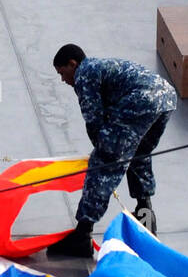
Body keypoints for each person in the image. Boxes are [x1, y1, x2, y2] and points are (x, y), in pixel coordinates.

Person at [46, 44, 176, 258]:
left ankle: (82, 235)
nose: (63, 80)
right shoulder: (102, 66)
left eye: (62, 73)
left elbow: (93, 119)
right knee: (139, 157)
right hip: (165, 98)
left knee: (103, 165)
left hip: (140, 100)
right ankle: (146, 217)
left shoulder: (84, 74)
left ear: (73, 64)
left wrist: (104, 152)